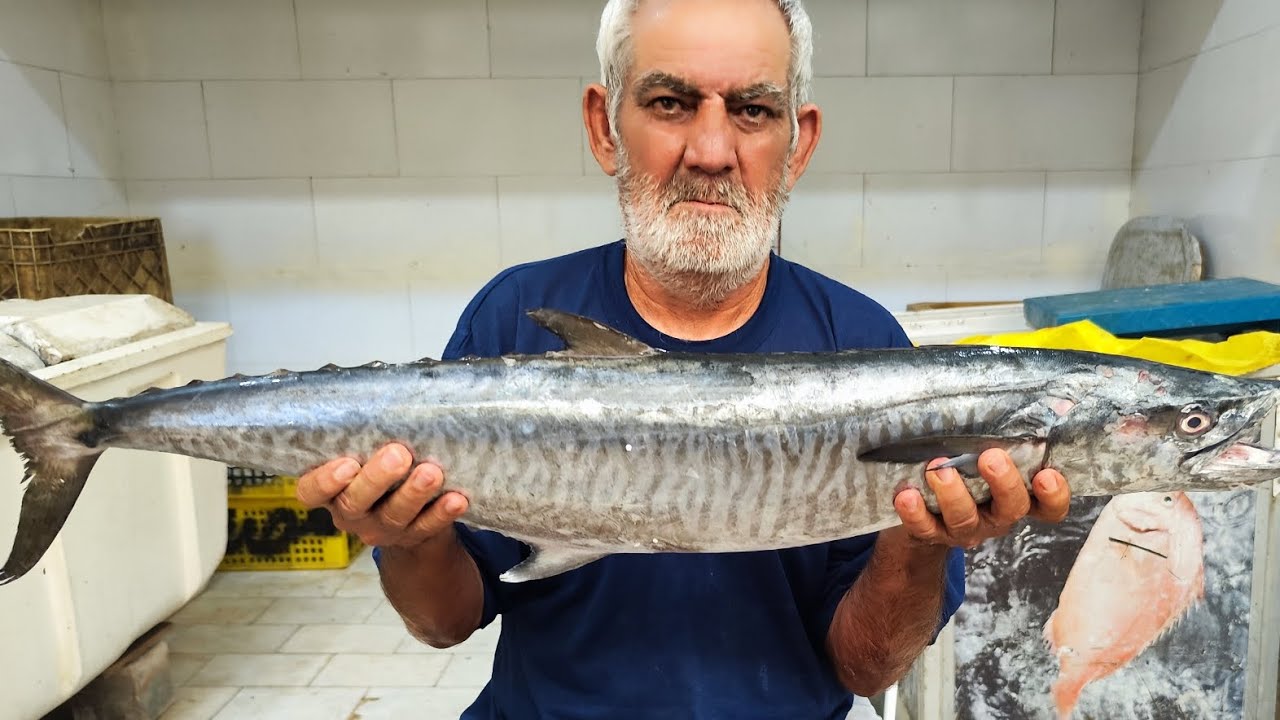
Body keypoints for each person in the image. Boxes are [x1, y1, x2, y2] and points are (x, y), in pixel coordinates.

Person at [296, 0, 1072, 717]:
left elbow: (867, 670)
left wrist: (920, 539)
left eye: (752, 110)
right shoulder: (513, 313)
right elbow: (443, 623)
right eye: (670, 103)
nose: (710, 151)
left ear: (797, 144)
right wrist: (409, 535)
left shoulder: (864, 345)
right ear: (605, 126)